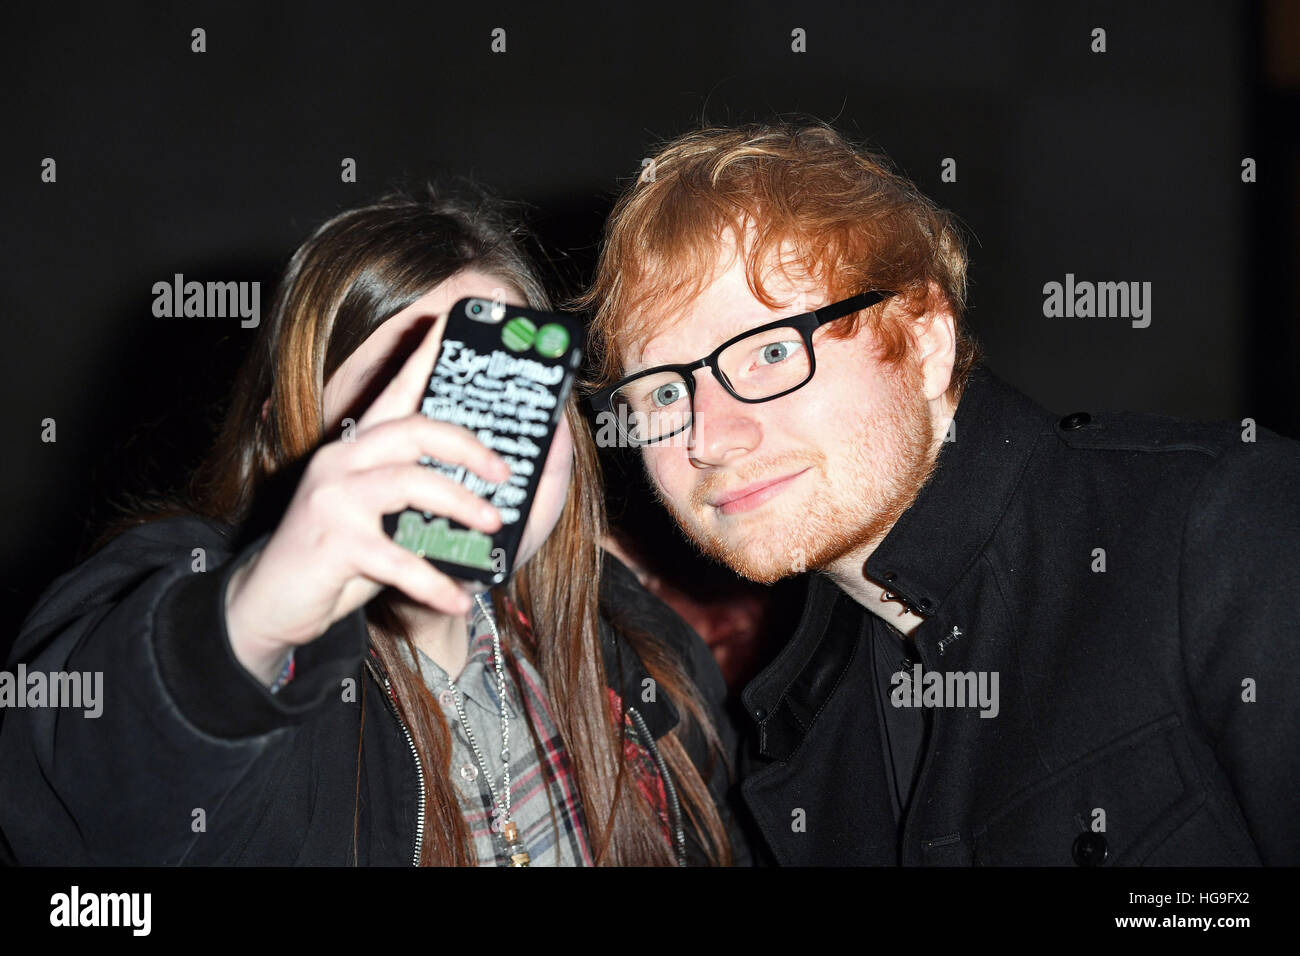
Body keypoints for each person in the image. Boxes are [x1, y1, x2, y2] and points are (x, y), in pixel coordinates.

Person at [577, 120, 1300, 865]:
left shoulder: (1219, 530)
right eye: (664, 393)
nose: (710, 437)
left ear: (924, 342)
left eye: (769, 352)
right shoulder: (798, 738)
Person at [0, 183, 743, 867]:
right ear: (290, 434)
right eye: (399, 386)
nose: (456, 438)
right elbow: (76, 782)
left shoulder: (633, 636)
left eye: (496, 390)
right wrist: (250, 619)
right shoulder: (195, 584)